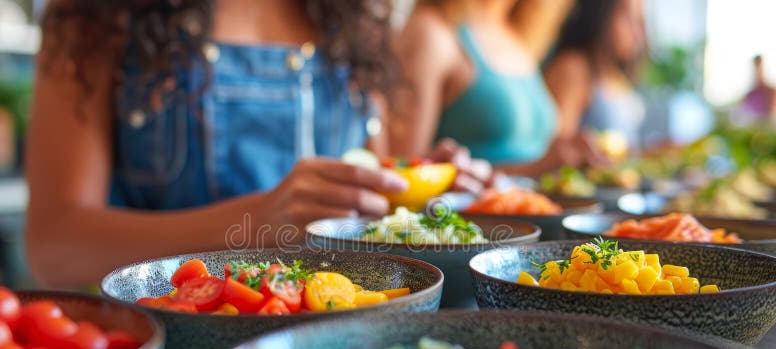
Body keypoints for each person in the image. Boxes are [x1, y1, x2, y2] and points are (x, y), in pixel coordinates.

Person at [25, 0, 490, 287]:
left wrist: (418, 186)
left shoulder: (358, 21)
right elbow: (53, 246)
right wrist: (257, 220)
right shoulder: (94, 15)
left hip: (337, 336)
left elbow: (370, 196)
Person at [388, 0, 605, 176]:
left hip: (533, 225)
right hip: (472, 226)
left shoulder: (517, 36)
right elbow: (402, 176)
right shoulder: (432, 30)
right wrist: (532, 170)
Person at [545, 0, 647, 152]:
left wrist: (653, 152)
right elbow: (557, 151)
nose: (637, 32)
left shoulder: (615, 76)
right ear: (600, 13)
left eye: (640, 21)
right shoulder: (573, 69)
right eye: (628, 17)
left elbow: (623, 152)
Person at [740, 55, 775, 121]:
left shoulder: (771, 92)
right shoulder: (749, 96)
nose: (757, 71)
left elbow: (771, 114)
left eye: (759, 67)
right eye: (755, 67)